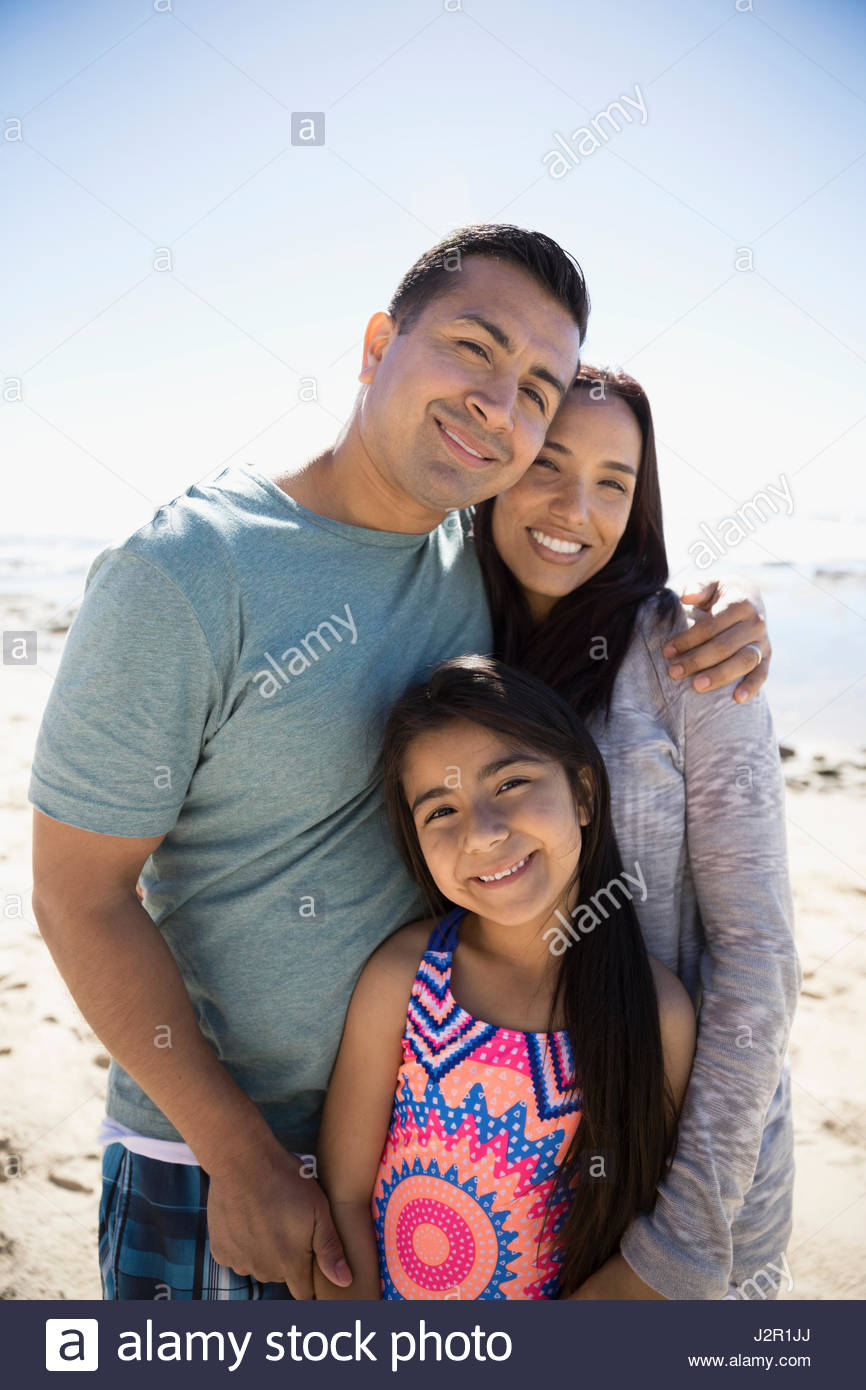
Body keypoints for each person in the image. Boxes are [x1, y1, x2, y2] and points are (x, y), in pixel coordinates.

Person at [29, 225, 770, 1301]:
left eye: (534, 389)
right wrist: (236, 1152)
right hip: (217, 1160)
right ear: (377, 342)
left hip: (444, 1155)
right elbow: (75, 894)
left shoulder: (471, 568)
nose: (497, 405)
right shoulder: (186, 572)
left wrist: (715, 621)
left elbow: (585, 579)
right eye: (474, 347)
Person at [466, 366, 800, 1300]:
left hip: (685, 1171)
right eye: (549, 465)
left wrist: (682, 1241)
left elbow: (760, 953)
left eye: (614, 481)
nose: (577, 508)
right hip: (510, 1154)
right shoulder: (457, 642)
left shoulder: (685, 651)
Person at [313, 656, 697, 1300]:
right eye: (440, 812)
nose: (484, 833)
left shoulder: (655, 1012)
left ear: (582, 791)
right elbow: (345, 1196)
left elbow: (634, 1239)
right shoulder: (405, 977)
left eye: (511, 783)